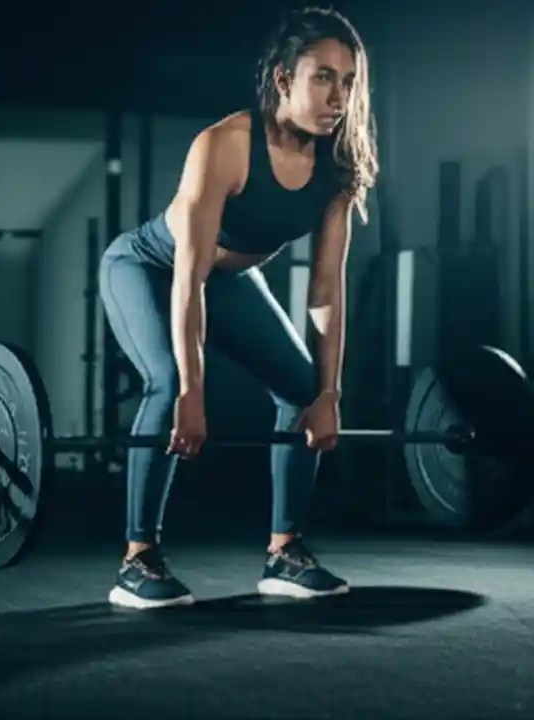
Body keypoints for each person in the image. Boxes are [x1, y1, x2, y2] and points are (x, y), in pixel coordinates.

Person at [98, 7, 377, 609]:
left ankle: (285, 551)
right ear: (283, 80)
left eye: (349, 80)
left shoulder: (340, 165)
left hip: (227, 280)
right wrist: (192, 394)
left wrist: (329, 393)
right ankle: (137, 560)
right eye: (323, 77)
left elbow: (326, 287)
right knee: (167, 380)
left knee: (301, 387)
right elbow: (188, 276)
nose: (339, 95)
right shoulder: (224, 145)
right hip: (150, 269)